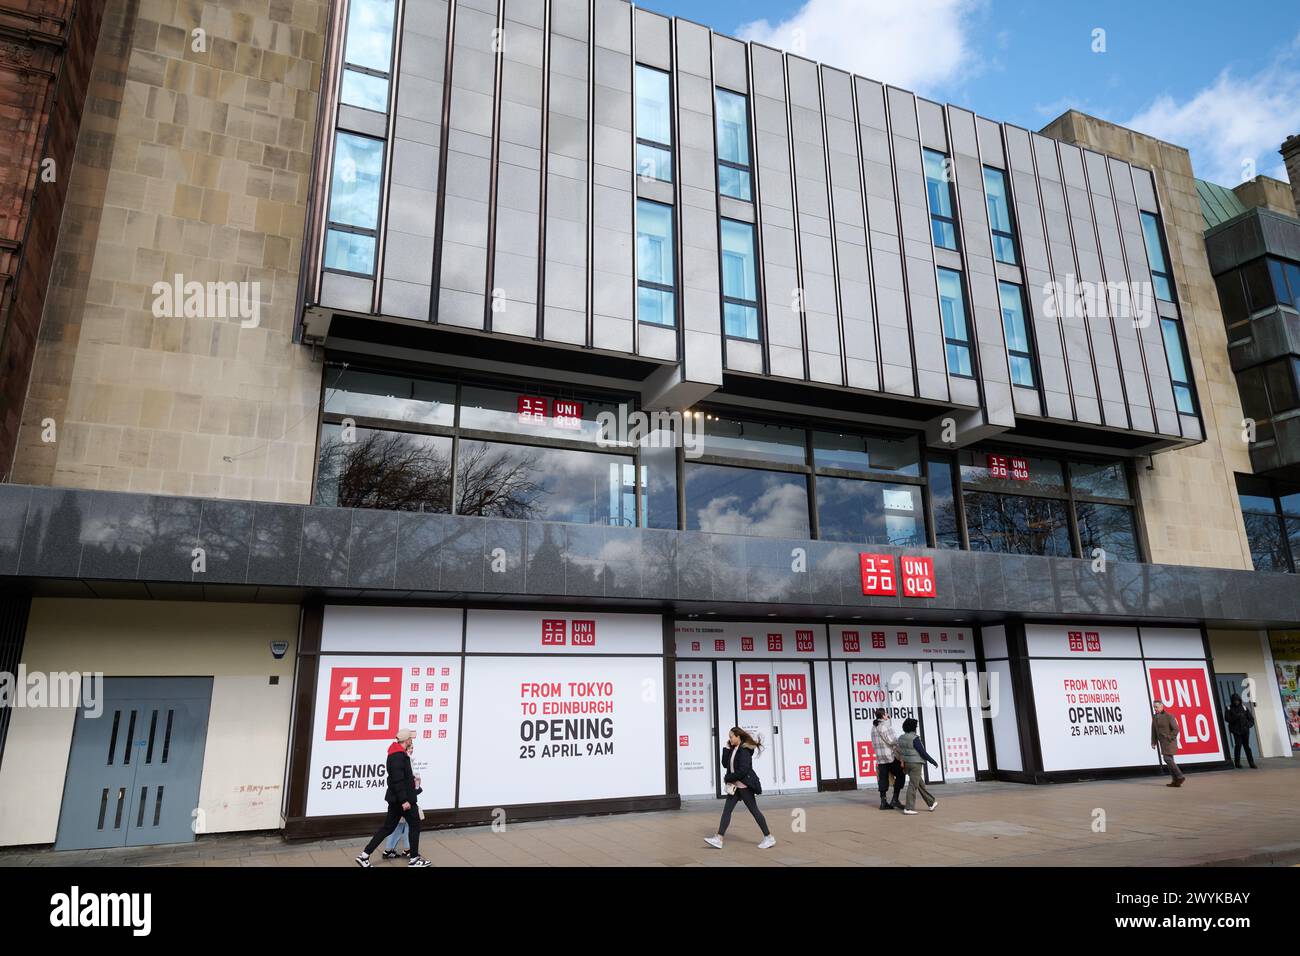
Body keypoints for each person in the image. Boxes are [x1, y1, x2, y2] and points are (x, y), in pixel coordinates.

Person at [356, 729, 431, 867]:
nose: (412, 740)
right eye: (410, 738)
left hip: (397, 800)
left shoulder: (397, 754)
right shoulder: (398, 756)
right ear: (406, 740)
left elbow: (401, 780)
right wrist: (404, 801)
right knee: (414, 825)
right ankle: (414, 859)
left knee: (388, 828)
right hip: (403, 801)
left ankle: (364, 856)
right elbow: (397, 781)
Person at [704, 727, 776, 850]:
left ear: (738, 737)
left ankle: (768, 837)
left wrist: (728, 777)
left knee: (754, 811)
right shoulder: (734, 749)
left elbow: (743, 770)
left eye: (731, 736)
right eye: (729, 737)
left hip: (744, 786)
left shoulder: (744, 751)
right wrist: (727, 748)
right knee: (727, 811)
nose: (730, 739)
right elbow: (725, 764)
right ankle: (719, 838)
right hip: (735, 787)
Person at [895, 717, 939, 815]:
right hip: (916, 764)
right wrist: (932, 761)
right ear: (913, 727)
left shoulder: (901, 738)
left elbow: (899, 751)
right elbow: (922, 752)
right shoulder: (915, 738)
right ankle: (908, 808)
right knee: (913, 785)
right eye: (916, 726)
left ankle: (931, 803)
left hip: (907, 764)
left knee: (920, 784)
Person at [382, 768, 421, 859]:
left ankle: (390, 849)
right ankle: (406, 849)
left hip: (401, 802)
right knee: (406, 826)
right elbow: (402, 789)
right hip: (402, 804)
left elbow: (413, 790)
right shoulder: (401, 770)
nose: (410, 753)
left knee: (400, 826)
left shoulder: (404, 768)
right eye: (408, 752)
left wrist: (417, 786)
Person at [871, 708, 904, 810]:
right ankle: (895, 799)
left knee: (883, 779)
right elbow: (892, 741)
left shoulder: (873, 727)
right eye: (886, 713)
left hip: (880, 758)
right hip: (890, 756)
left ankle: (883, 801)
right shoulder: (885, 726)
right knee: (901, 774)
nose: (888, 715)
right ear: (883, 715)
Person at [1151, 700, 1185, 787]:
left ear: (1162, 706)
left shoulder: (1169, 716)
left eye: (1156, 707)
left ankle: (1180, 776)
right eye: (1154, 707)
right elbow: (1154, 730)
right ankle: (1175, 781)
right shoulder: (1154, 717)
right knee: (1170, 761)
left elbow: (1176, 729)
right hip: (1162, 742)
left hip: (1169, 742)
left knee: (1166, 758)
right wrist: (1153, 742)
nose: (1155, 709)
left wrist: (1169, 737)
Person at [1226, 694, 1257, 769]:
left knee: (1247, 747)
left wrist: (1248, 726)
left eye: (1237, 700)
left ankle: (1251, 763)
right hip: (1236, 731)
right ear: (1232, 701)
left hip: (1245, 731)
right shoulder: (1229, 708)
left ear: (1240, 700)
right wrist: (1236, 717)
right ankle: (1237, 763)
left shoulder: (1244, 708)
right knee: (1238, 746)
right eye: (1235, 700)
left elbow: (1251, 720)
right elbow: (1227, 719)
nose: (1236, 702)